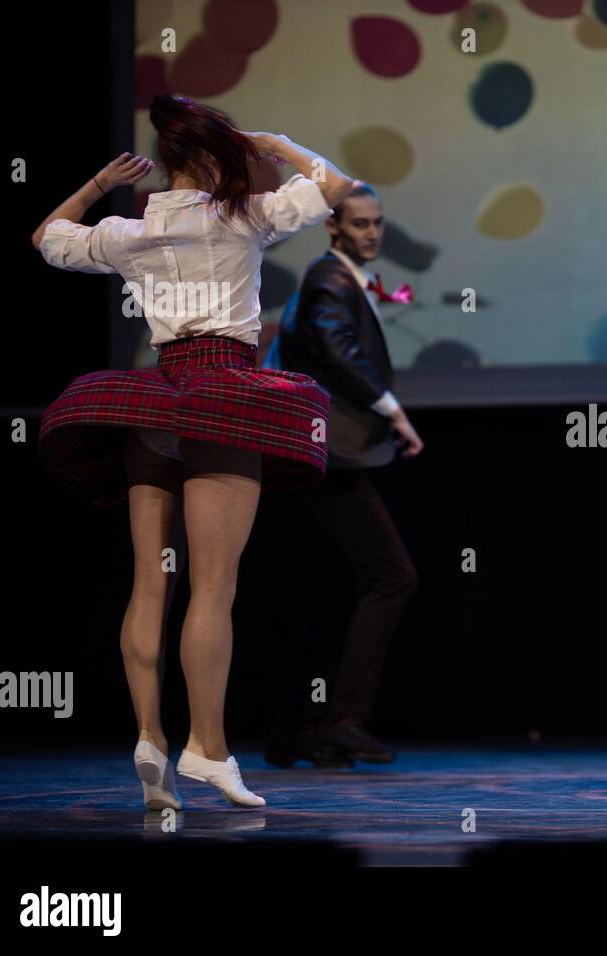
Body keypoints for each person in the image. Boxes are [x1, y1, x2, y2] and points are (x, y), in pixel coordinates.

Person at [33, 93, 358, 807]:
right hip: (226, 395)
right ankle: (206, 748)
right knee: (214, 586)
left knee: (152, 581)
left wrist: (98, 186)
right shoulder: (240, 213)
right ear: (211, 155)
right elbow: (335, 188)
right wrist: (277, 142)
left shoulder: (131, 227)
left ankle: (150, 736)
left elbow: (48, 238)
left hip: (160, 397)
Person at [262, 182, 423, 768]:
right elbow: (336, 348)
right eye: (360, 224)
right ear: (333, 227)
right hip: (331, 454)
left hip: (329, 453)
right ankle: (341, 719)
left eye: (378, 222)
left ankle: (293, 729)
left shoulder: (343, 276)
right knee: (392, 576)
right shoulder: (329, 278)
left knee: (334, 592)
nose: (372, 233)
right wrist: (393, 410)